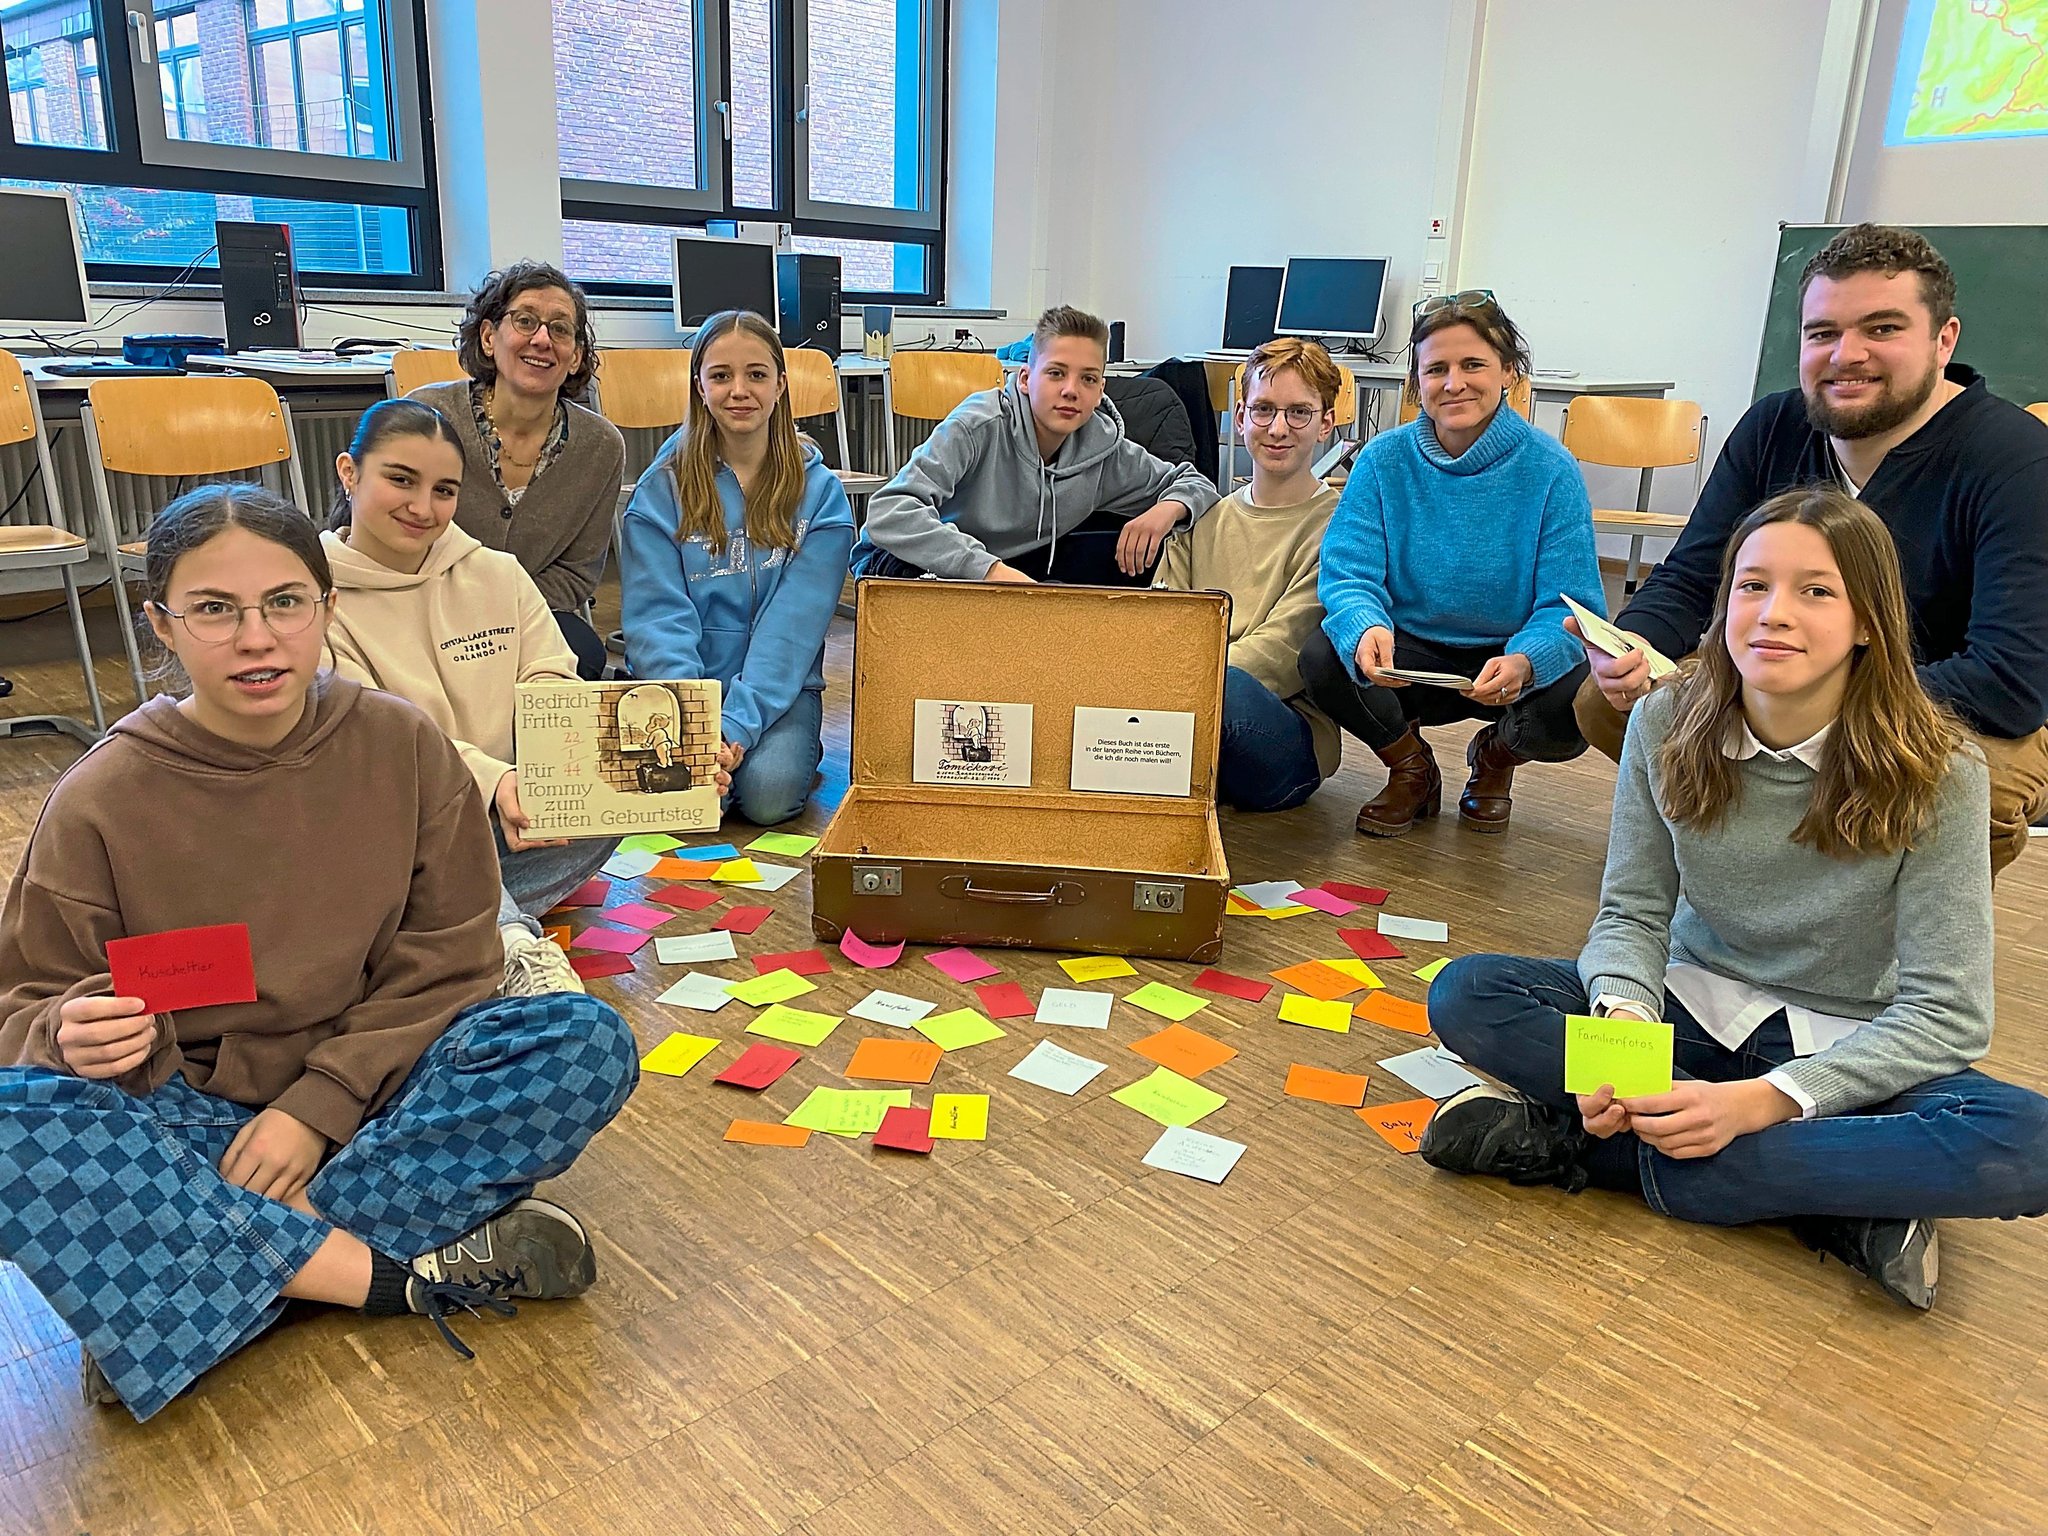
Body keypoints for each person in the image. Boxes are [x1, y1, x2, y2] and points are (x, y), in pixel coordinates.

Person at [0, 483, 640, 1419]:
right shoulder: (103, 796)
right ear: (161, 626)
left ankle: (187, 1291)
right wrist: (67, 1033)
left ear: (326, 611)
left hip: (378, 1090)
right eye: (214, 610)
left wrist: (317, 1108)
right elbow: (29, 1005)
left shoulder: (401, 746)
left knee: (584, 1043)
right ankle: (383, 1276)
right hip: (197, 1124)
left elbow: (454, 956)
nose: (256, 639)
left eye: (285, 603)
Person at [1423, 486, 2048, 1312]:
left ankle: (1595, 1151)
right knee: (1468, 991)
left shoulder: (1943, 772)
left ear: (1868, 621)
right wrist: (1622, 1040)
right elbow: (1632, 916)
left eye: (1816, 590)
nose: (1774, 614)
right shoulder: (1663, 722)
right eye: (1753, 586)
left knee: (2029, 1141)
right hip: (1687, 1020)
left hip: (1838, 1051)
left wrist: (1762, 1103)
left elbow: (1947, 1013)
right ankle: (1830, 1198)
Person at [1572, 224, 2048, 874]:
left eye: (1881, 329)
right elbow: (1690, 578)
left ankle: (1885, 930)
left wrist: (1805, 696)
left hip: (1931, 701)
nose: (1845, 355)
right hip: (1783, 673)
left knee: (1983, 782)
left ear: (1944, 340)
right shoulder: (1774, 426)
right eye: (1823, 332)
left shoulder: (2018, 460)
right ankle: (1740, 878)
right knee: (1609, 702)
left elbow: (2009, 682)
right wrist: (1629, 646)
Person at [322, 398, 643, 997]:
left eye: (444, 490)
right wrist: (493, 780)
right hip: (404, 824)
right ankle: (506, 945)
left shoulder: (496, 571)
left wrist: (668, 771)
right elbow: (373, 743)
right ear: (349, 472)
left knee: (621, 792)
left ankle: (425, 934)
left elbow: (552, 676)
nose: (423, 508)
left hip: (504, 815)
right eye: (400, 480)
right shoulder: (315, 597)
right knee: (410, 842)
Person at [1301, 293, 1604, 836]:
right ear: (1417, 382)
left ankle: (1497, 758)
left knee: (1577, 690)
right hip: (1409, 653)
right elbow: (1348, 572)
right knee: (1324, 653)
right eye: (1436, 369)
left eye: (1473, 365)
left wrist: (1527, 661)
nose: (1454, 382)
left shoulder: (1551, 469)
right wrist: (1365, 625)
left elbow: (1573, 604)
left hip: (1506, 661)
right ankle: (1410, 768)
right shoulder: (1381, 460)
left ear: (1509, 372)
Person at [619, 310, 854, 827]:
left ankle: (788, 755)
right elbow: (658, 622)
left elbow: (792, 632)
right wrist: (697, 730)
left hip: (780, 686)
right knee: (692, 808)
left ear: (781, 385)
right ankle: (732, 765)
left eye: (757, 374)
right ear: (699, 386)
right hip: (685, 688)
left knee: (768, 800)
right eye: (721, 375)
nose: (739, 390)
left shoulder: (822, 497)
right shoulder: (660, 492)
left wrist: (734, 728)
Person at [848, 305, 1220, 585]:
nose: (1071, 390)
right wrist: (988, 571)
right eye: (1056, 373)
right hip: (917, 560)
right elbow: (889, 511)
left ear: (1100, 389)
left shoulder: (1105, 448)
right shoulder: (979, 425)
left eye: (1088, 378)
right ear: (1025, 378)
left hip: (1017, 565)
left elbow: (1199, 485)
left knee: (1146, 557)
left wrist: (1166, 509)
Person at [409, 261, 626, 680]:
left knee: (584, 656)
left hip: (528, 612)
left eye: (561, 329)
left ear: (576, 355)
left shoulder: (601, 447)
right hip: (423, 605)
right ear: (490, 337)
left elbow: (577, 572)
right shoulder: (430, 417)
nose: (542, 339)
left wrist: (501, 613)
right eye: (525, 321)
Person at [1153, 336, 1343, 812]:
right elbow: (1160, 625)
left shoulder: (1340, 528)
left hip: (1279, 734)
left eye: (1298, 412)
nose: (1278, 428)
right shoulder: (1202, 518)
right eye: (1263, 410)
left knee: (1232, 688)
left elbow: (1280, 655)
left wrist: (1168, 689)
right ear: (1240, 419)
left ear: (1326, 425)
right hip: (1187, 708)